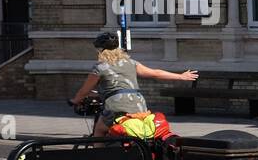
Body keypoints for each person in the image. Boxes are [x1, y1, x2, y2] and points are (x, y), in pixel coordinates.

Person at [70, 31, 198, 136]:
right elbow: (155, 73)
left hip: (117, 108)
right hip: (139, 106)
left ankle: (98, 157)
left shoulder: (100, 67)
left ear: (101, 50)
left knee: (99, 130)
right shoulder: (131, 63)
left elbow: (84, 91)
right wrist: (181, 76)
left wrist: (75, 100)